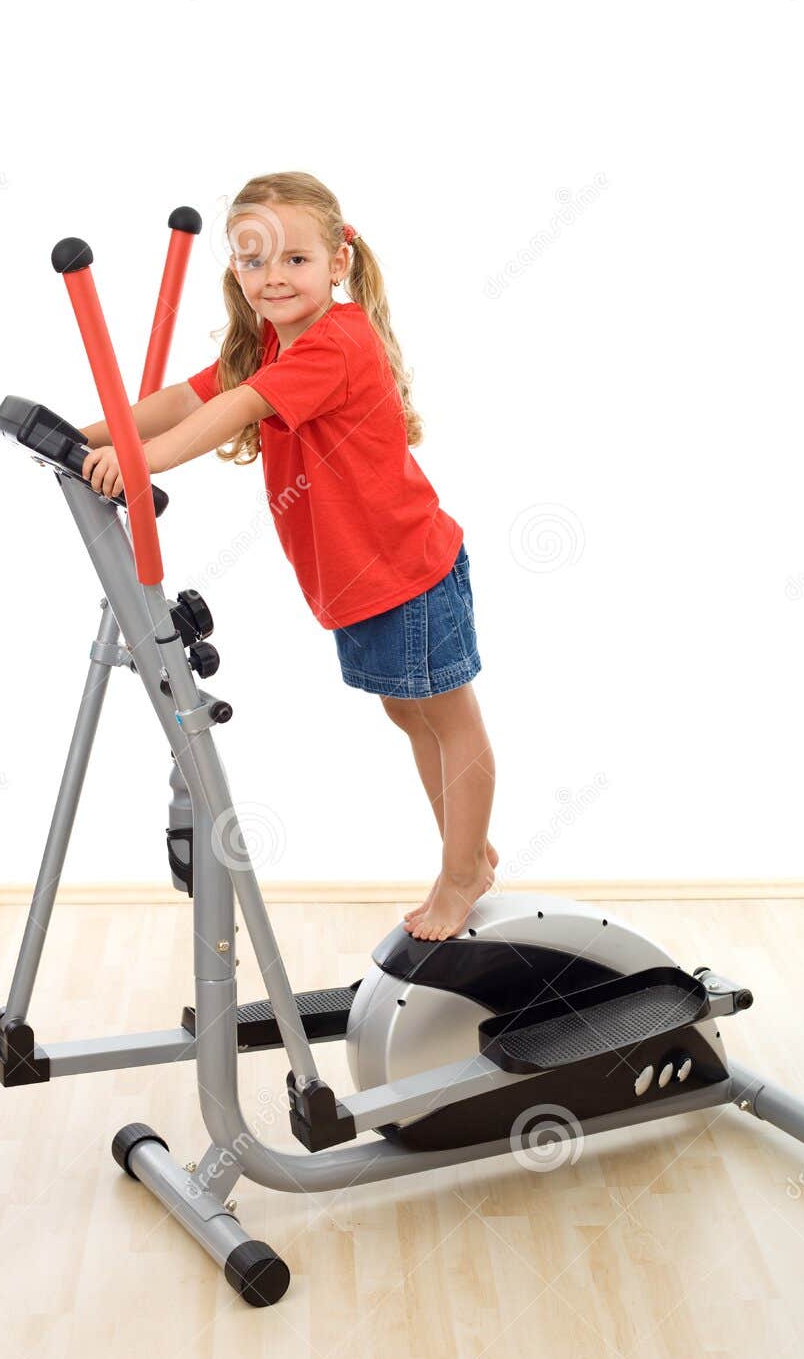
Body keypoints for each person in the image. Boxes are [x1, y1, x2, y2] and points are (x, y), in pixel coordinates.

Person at [81, 171, 496, 940]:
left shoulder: (335, 343)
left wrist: (141, 462)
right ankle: (467, 853)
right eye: (253, 260)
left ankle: (464, 869)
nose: (271, 277)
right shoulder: (275, 339)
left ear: (338, 261)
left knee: (446, 719)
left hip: (405, 569)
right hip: (360, 579)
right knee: (409, 713)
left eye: (294, 260)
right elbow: (190, 397)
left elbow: (235, 407)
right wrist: (86, 435)